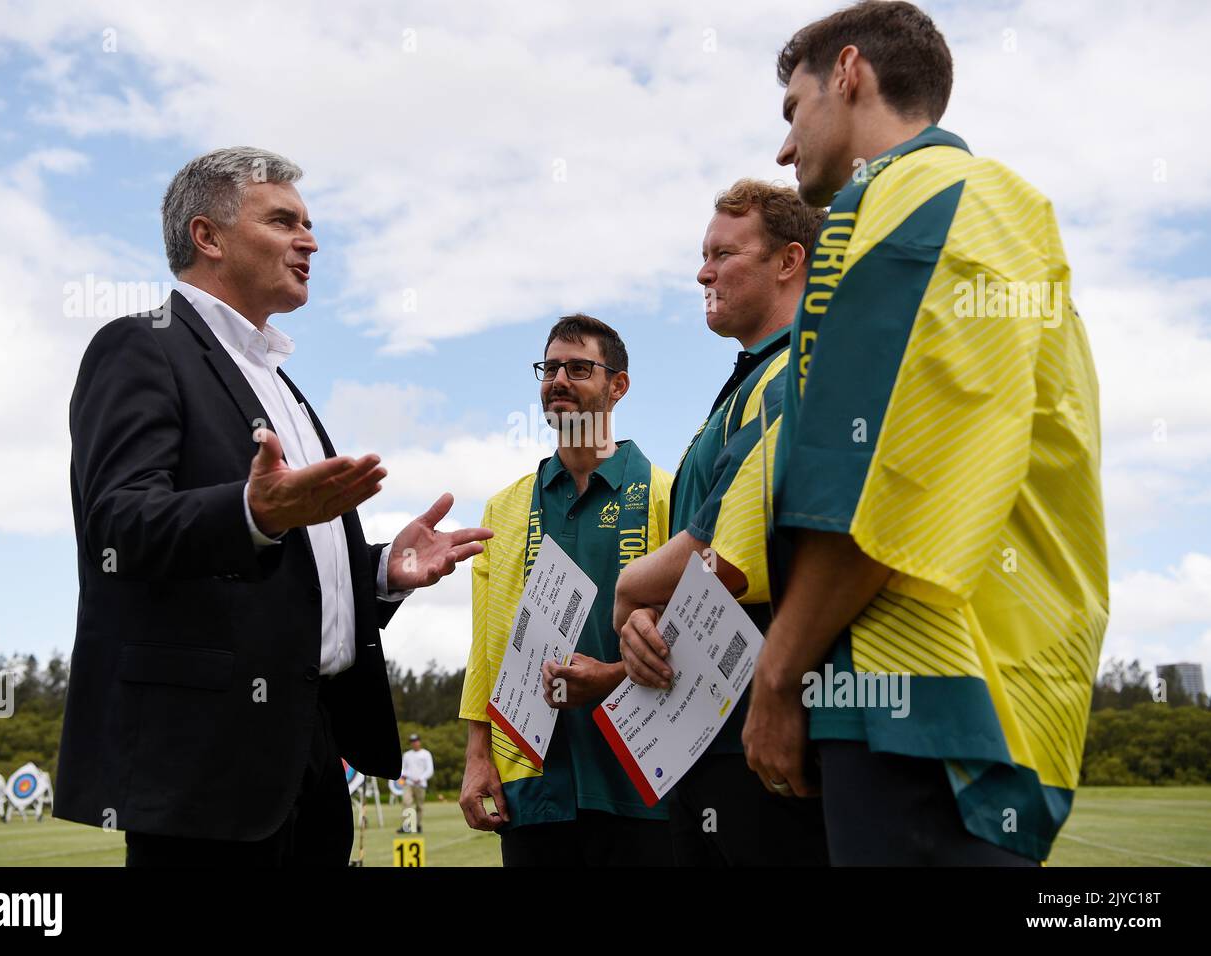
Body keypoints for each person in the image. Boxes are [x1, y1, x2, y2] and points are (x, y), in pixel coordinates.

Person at [56, 146, 491, 867]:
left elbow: (293, 573)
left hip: (312, 750)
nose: (310, 241)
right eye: (284, 221)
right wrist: (251, 513)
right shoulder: (139, 347)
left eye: (308, 224)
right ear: (208, 236)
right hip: (208, 762)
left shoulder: (281, 383)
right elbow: (117, 524)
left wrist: (380, 571)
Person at [746, 0, 1107, 865]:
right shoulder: (952, 206)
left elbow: (890, 476)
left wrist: (778, 675)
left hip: (937, 694)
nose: (785, 149)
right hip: (936, 694)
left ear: (848, 73)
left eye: (793, 111)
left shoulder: (932, 197)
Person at [614, 181, 828, 866]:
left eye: (723, 255)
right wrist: (644, 618)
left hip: (760, 731)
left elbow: (722, 551)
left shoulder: (793, 373)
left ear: (789, 261)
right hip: (701, 730)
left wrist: (629, 589)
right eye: (702, 256)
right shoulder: (748, 383)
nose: (703, 273)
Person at [458, 315, 674, 866]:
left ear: (618, 385)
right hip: (535, 789)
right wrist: (477, 755)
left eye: (578, 368)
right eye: (550, 368)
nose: (558, 380)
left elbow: (696, 633)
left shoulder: (667, 495)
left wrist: (612, 677)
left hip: (646, 777)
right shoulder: (504, 508)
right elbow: (485, 648)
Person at [398, 734, 434, 833]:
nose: (414, 743)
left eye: (416, 741)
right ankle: (406, 826)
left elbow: (430, 770)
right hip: (408, 783)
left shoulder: (426, 754)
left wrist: (421, 778)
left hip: (420, 784)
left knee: (419, 806)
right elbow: (403, 769)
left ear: (419, 742)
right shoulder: (407, 755)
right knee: (406, 803)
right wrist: (404, 777)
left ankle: (417, 825)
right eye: (412, 742)